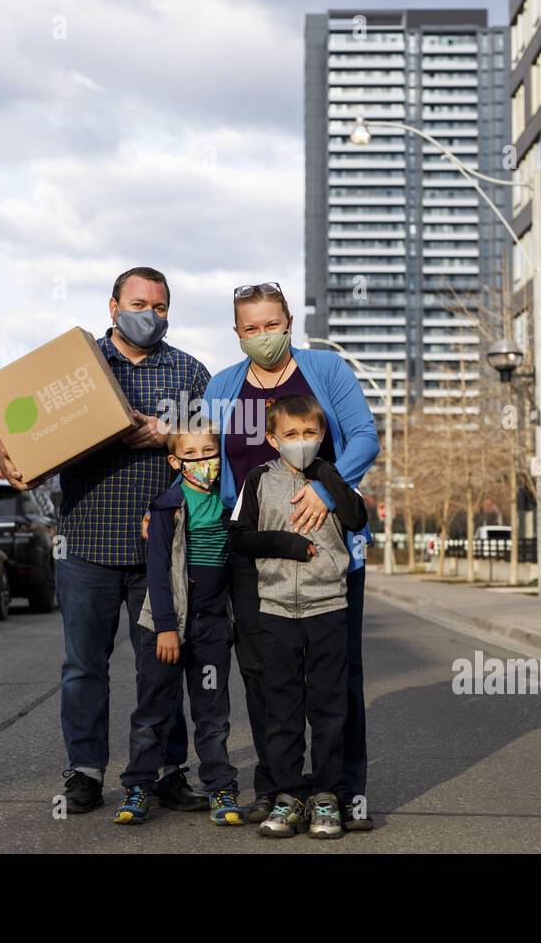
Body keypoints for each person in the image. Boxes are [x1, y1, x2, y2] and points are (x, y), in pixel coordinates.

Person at [0, 266, 209, 814]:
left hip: (159, 550)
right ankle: (85, 771)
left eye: (161, 307)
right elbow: (20, 421)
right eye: (139, 303)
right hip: (85, 543)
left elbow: (213, 447)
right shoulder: (74, 367)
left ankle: (166, 769)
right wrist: (5, 448)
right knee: (82, 666)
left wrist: (167, 433)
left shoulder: (188, 372)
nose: (150, 315)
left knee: (161, 664)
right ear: (113, 307)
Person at [203, 282, 380, 829]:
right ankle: (279, 789)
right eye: (251, 328)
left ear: (288, 324)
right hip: (254, 553)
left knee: (337, 674)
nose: (263, 335)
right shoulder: (222, 386)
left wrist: (329, 490)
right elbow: (201, 456)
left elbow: (364, 438)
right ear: (237, 333)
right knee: (263, 674)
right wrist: (165, 509)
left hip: (326, 547)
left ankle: (343, 792)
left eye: (272, 323)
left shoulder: (324, 372)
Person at [229, 393, 369, 839]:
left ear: (322, 434)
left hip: (328, 607)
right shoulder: (257, 480)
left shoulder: (336, 478)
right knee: (282, 709)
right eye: (291, 434)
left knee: (329, 707)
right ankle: (288, 795)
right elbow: (241, 538)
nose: (301, 441)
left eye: (310, 433)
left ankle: (327, 795)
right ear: (272, 438)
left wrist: (327, 474)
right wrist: (286, 545)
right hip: (275, 611)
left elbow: (357, 515)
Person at [112, 425, 243, 827]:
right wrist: (167, 627)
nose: (204, 460)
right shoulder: (167, 506)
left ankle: (220, 787)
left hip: (212, 629)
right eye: (192, 453)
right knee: (154, 710)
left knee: (213, 715)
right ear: (176, 461)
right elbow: (157, 572)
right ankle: (139, 785)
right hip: (166, 628)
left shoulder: (229, 505)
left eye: (210, 451)